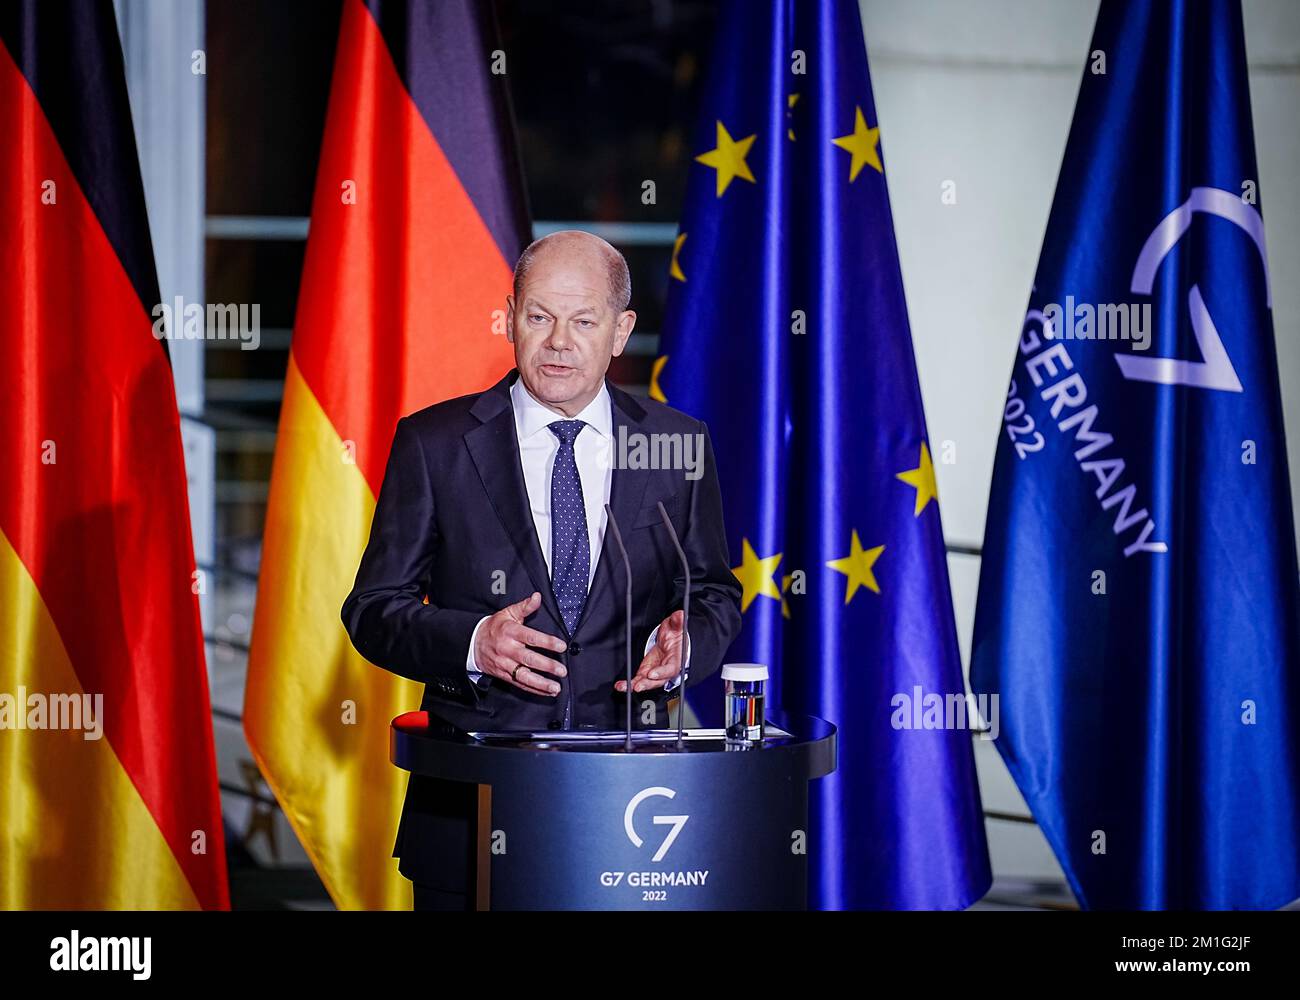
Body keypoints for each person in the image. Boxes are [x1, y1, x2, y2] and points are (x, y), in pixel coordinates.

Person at [341, 230, 742, 909]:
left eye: (584, 320)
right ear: (510, 317)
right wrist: (472, 642)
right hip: (472, 800)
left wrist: (687, 645)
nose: (559, 340)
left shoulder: (676, 444)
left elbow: (713, 592)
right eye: (539, 316)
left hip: (632, 810)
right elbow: (374, 608)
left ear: (621, 331)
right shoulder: (435, 443)